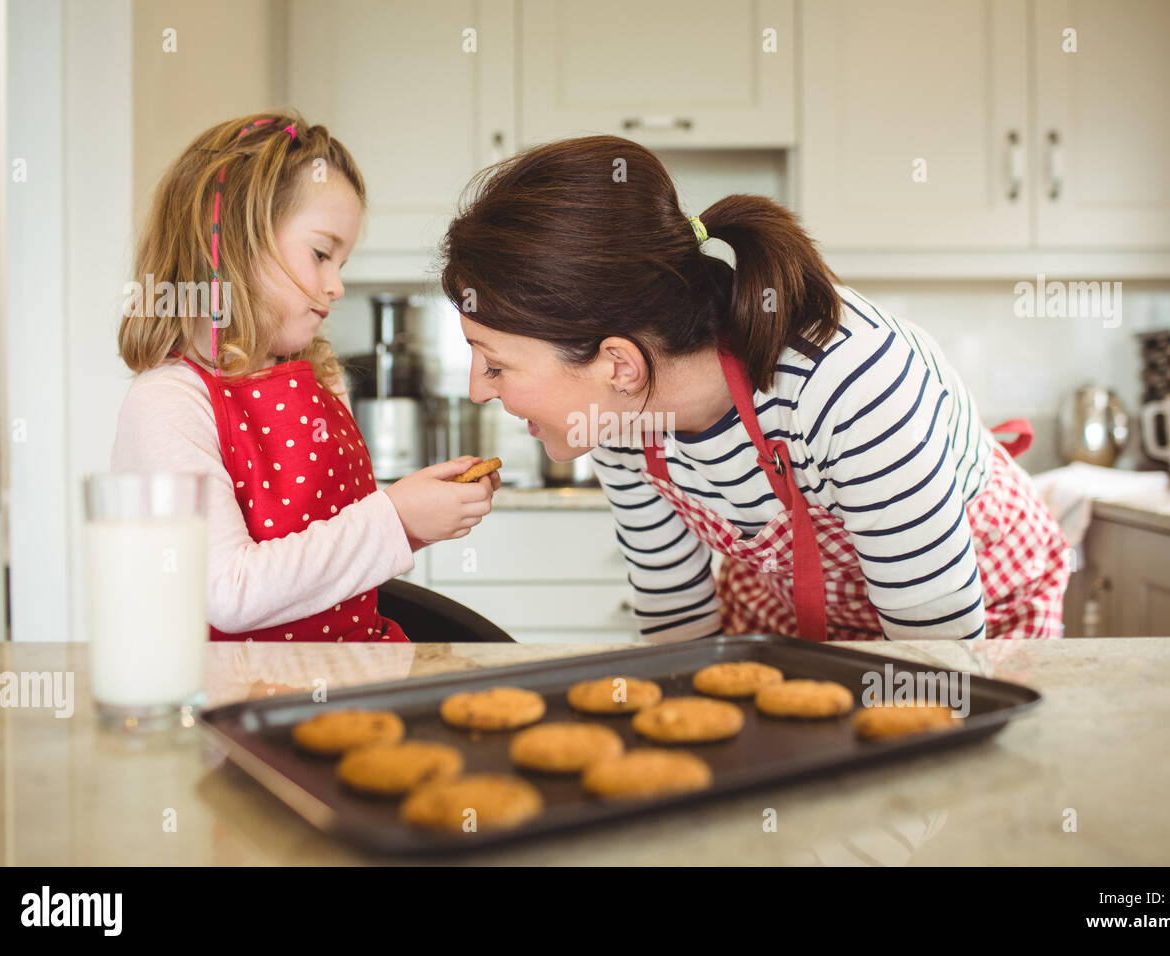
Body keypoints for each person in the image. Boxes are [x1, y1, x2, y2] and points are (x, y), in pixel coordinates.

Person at [439, 135, 1070, 642]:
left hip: (972, 616)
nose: (477, 391)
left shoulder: (853, 380)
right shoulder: (613, 419)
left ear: (618, 365)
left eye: (494, 364)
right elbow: (675, 621)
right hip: (789, 615)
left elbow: (938, 659)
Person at [112, 112, 496, 641]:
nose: (336, 285)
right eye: (321, 253)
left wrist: (416, 518)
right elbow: (230, 592)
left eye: (342, 260)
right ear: (222, 238)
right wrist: (396, 519)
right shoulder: (169, 404)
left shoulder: (317, 379)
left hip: (348, 677)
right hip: (240, 704)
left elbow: (329, 549)